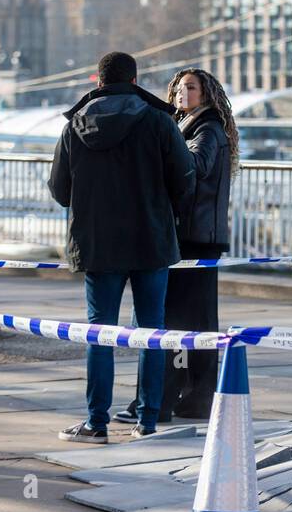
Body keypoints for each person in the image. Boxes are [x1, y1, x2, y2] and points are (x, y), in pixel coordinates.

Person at [49, 52, 194, 443]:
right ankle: (146, 422)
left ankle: (96, 423)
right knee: (152, 330)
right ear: (134, 80)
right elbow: (184, 178)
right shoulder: (159, 121)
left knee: (100, 332)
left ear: (98, 80)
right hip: (150, 239)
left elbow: (60, 191)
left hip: (98, 244)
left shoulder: (74, 125)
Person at [116, 68, 237, 424]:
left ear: (207, 94)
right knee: (196, 323)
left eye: (191, 87)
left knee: (174, 322)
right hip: (199, 238)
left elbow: (195, 166)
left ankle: (159, 402)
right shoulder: (196, 126)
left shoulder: (206, 129)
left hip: (192, 239)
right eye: (179, 88)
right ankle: (195, 400)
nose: (182, 93)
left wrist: (164, 147)